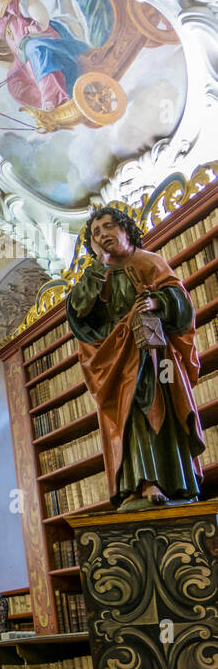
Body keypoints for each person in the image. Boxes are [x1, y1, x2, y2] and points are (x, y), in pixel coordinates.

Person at [66, 206, 204, 511]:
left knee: (156, 408)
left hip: (155, 354)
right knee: (125, 418)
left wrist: (158, 301)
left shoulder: (149, 261)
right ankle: (134, 485)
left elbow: (182, 304)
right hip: (116, 357)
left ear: (126, 229)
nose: (103, 234)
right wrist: (97, 272)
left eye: (109, 226)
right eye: (96, 233)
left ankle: (171, 481)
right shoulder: (95, 275)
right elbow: (78, 315)